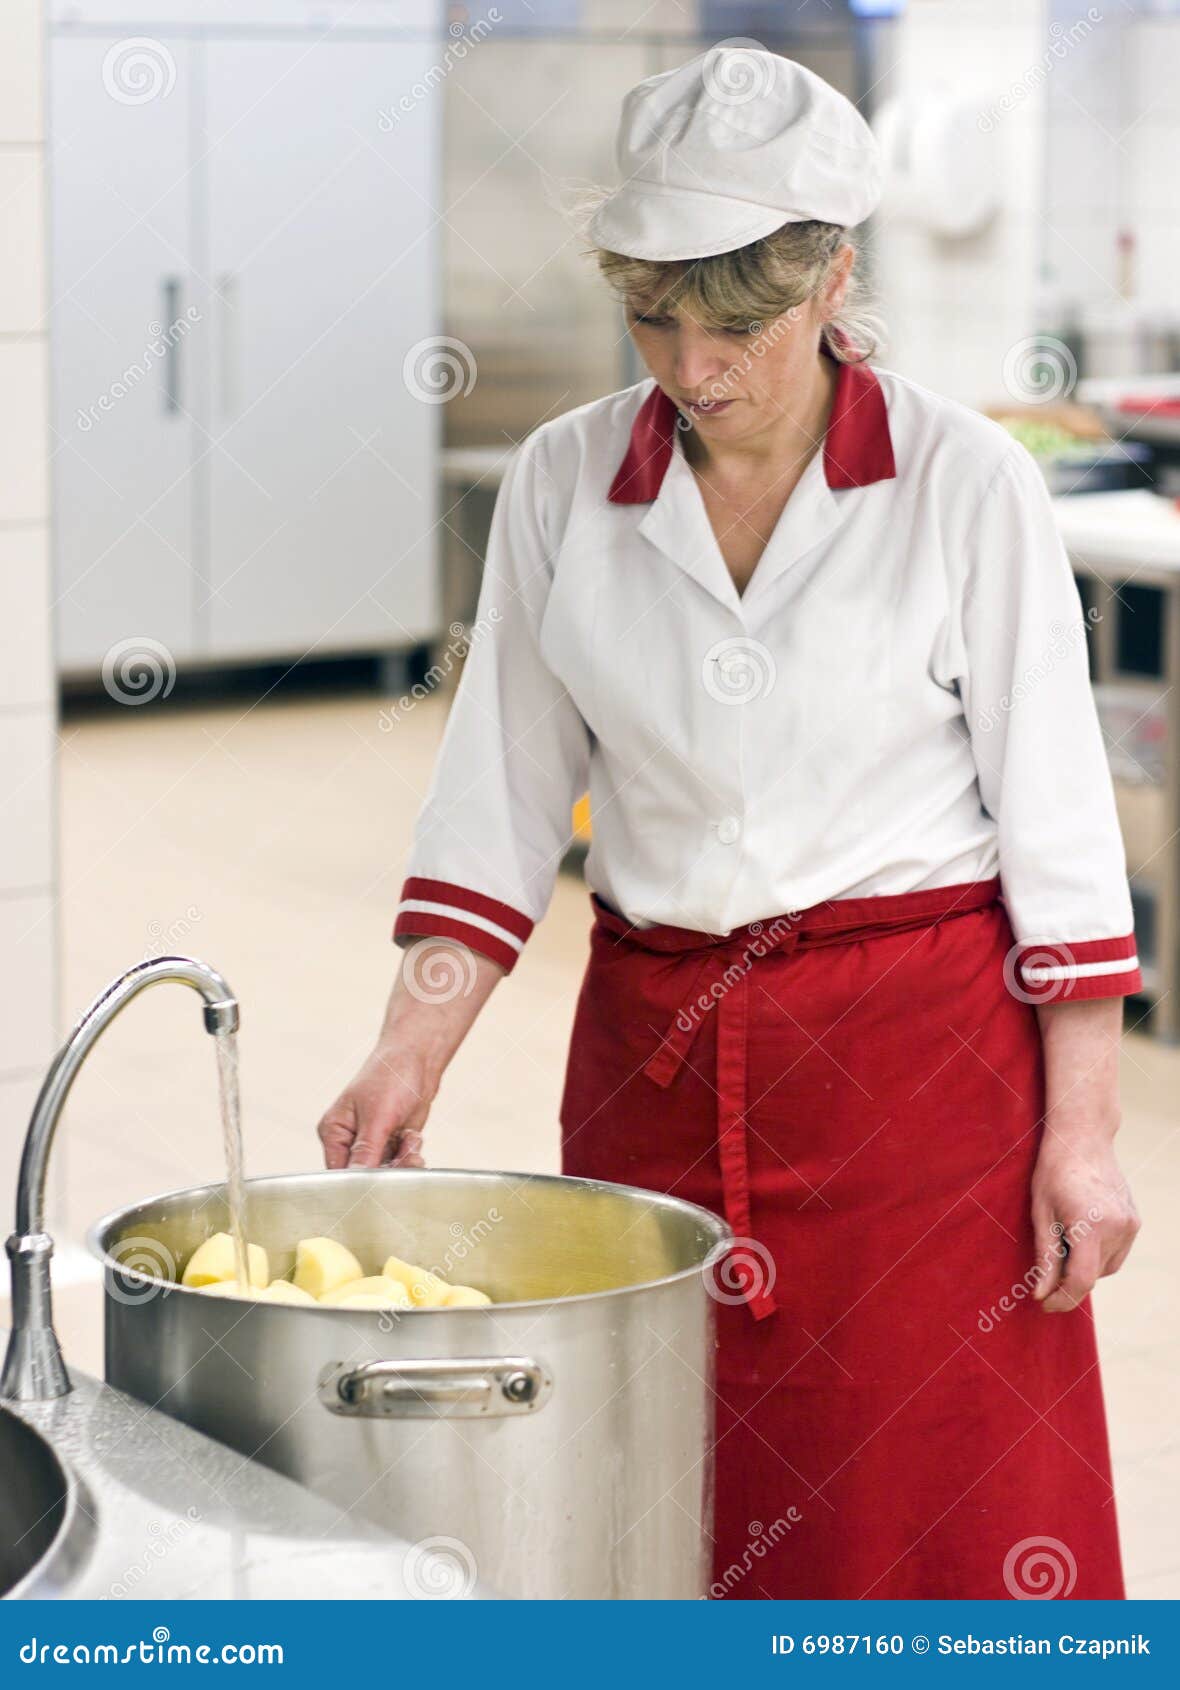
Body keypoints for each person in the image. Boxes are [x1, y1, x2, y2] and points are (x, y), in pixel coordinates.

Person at [317, 46, 1140, 1600]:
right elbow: (496, 803)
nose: (693, 368)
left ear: (834, 279)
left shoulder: (964, 485)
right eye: (656, 318)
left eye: (738, 324)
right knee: (660, 1483)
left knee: (925, 1495)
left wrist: (1083, 1136)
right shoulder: (564, 485)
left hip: (919, 1090)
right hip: (660, 1063)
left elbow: (1061, 839)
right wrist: (407, 1049)